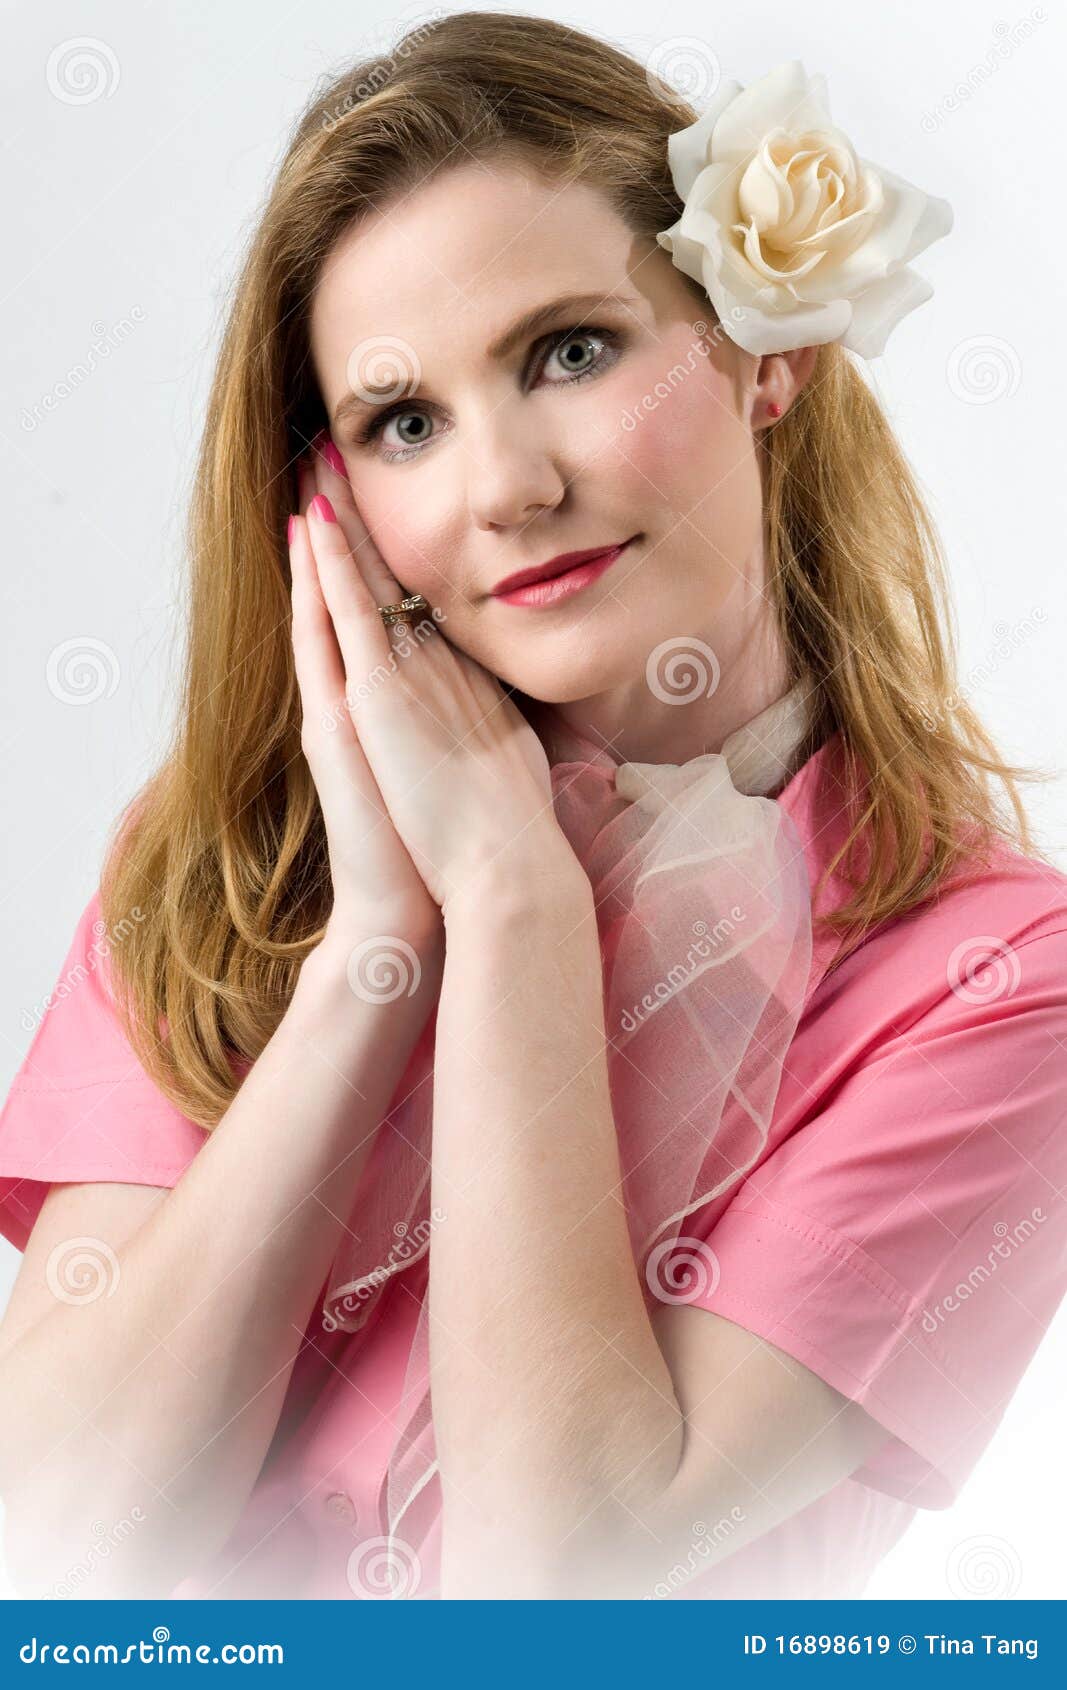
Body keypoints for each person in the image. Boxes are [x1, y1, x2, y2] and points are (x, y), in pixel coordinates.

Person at [1, 12, 1064, 1602]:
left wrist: (512, 901)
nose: (503, 487)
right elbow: (52, 1543)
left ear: (765, 352)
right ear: (331, 507)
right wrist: (376, 940)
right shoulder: (225, 853)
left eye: (570, 350)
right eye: (402, 423)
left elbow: (559, 1599)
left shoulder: (996, 978)